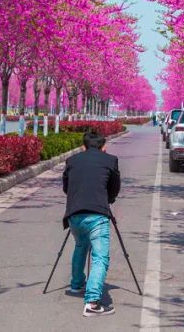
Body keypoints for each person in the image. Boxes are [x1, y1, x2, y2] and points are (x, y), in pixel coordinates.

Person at [62, 130, 121, 317]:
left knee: (81, 245)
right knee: (100, 257)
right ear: (104, 147)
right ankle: (92, 303)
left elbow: (66, 187)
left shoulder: (72, 161)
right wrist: (107, 200)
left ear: (83, 146)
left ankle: (77, 285)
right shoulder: (110, 160)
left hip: (74, 214)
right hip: (97, 214)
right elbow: (114, 188)